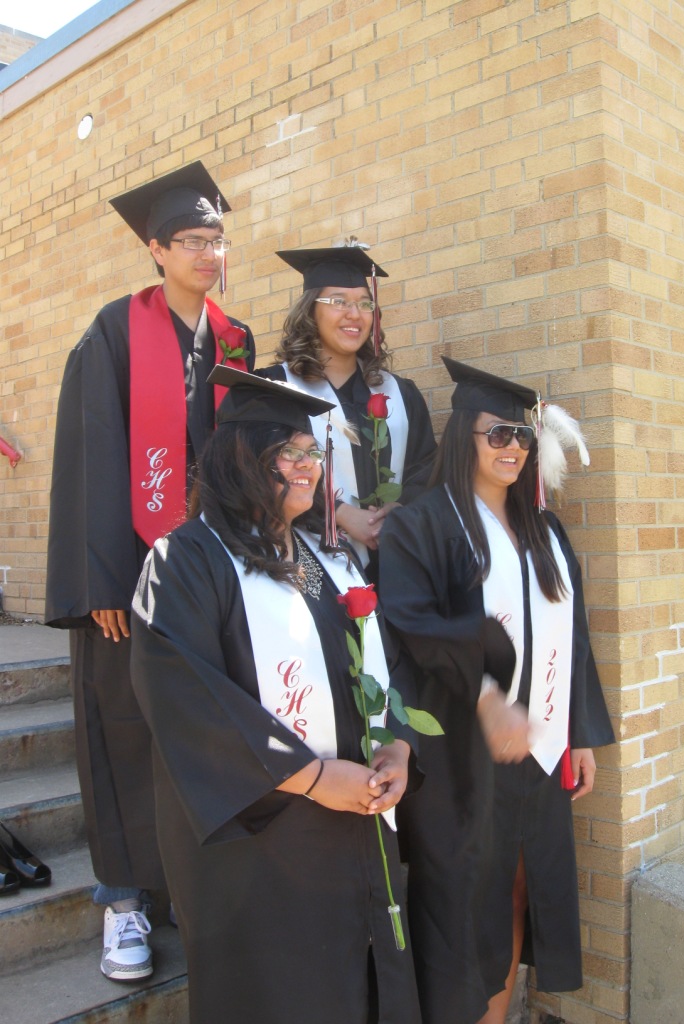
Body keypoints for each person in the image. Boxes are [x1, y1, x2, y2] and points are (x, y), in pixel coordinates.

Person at [130, 366, 422, 1024]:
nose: (306, 466)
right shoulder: (184, 560)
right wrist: (314, 777)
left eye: (311, 451)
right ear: (239, 457)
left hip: (357, 826)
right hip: (261, 846)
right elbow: (183, 697)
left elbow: (387, 661)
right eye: (285, 452)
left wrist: (399, 744)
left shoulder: (329, 558)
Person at [44, 163, 255, 981]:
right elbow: (89, 458)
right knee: (120, 728)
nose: (210, 254)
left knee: (202, 728)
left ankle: (196, 887)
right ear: (156, 248)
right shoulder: (114, 333)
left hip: (208, 581)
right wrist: (101, 583)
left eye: (217, 239)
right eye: (193, 241)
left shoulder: (234, 341)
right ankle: (124, 902)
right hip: (126, 580)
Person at [378, 356, 614, 1024]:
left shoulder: (545, 529)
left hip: (539, 750)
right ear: (464, 439)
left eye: (523, 438)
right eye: (497, 435)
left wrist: (580, 734)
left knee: (515, 893)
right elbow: (408, 627)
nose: (513, 448)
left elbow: (574, 634)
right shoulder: (422, 524)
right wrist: (484, 696)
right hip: (462, 752)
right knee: (462, 905)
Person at [256, 243, 436, 569]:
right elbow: (260, 472)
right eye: (338, 301)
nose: (354, 314)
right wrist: (337, 513)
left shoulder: (401, 394)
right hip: (306, 562)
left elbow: (426, 469)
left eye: (364, 303)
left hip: (394, 565)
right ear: (311, 310)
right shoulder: (275, 390)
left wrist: (400, 509)